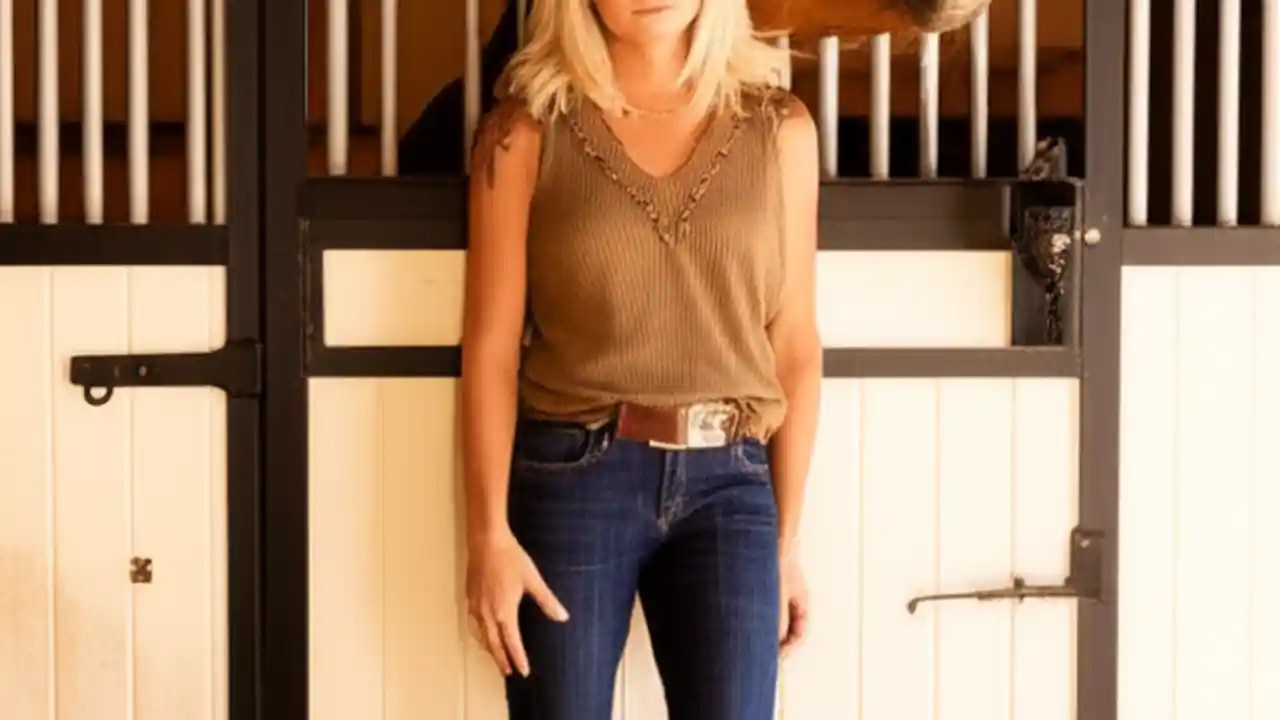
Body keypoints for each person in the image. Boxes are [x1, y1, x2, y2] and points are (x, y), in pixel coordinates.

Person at [460, 0, 821, 717]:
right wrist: (488, 535)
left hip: (732, 485)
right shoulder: (524, 131)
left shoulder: (781, 129)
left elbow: (796, 344)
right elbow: (492, 348)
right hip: (574, 475)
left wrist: (784, 540)